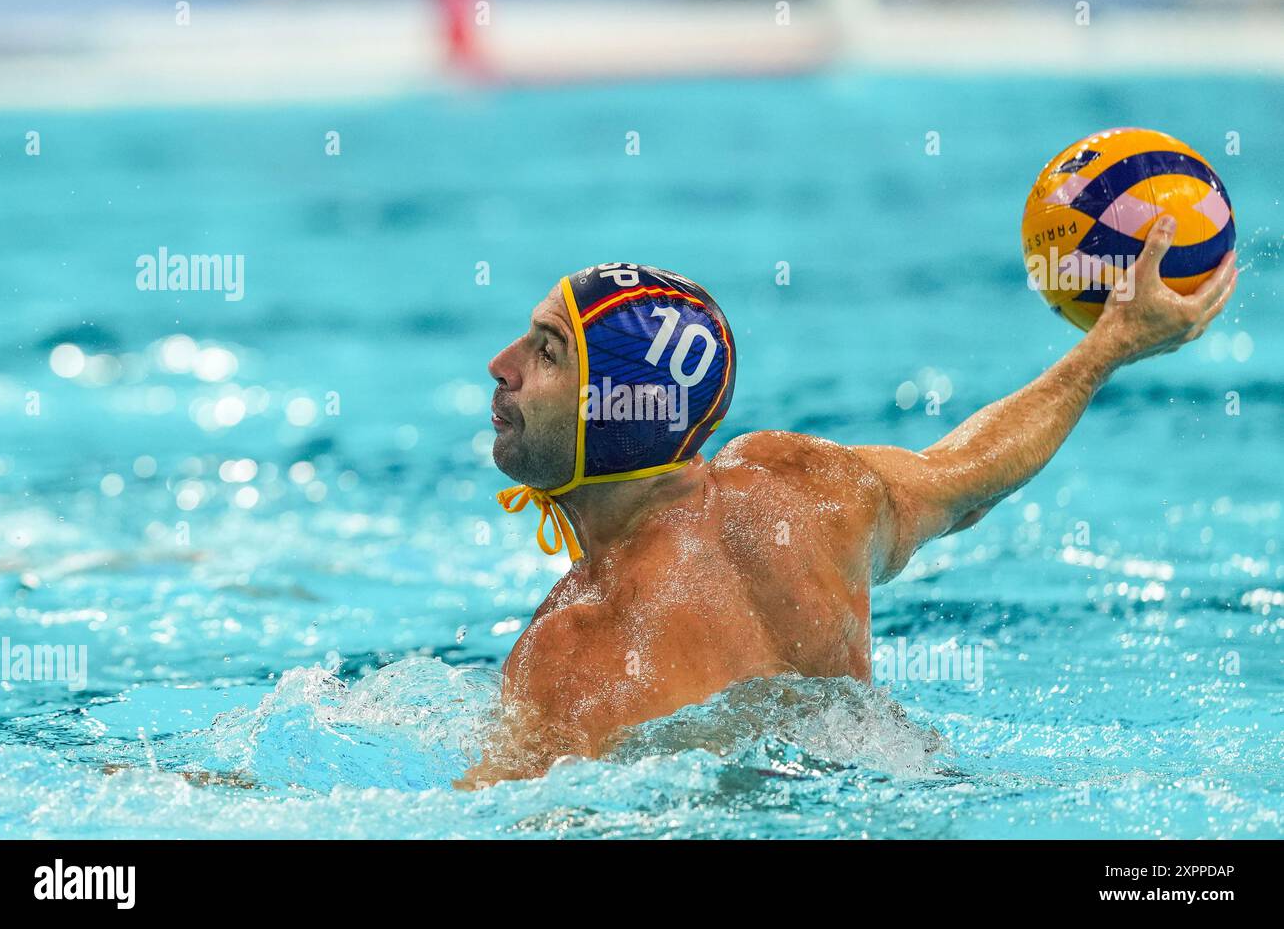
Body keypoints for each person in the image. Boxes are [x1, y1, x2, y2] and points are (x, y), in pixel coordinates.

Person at [462, 217, 1237, 786]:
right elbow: (972, 475)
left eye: (547, 352)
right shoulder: (797, 487)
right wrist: (1114, 343)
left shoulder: (570, 652)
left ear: (615, 409)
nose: (503, 365)